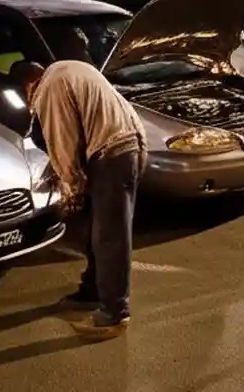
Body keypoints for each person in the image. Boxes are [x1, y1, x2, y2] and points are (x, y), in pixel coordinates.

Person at [12, 59, 147, 341]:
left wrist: (69, 187)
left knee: (110, 235)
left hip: (113, 153)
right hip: (125, 146)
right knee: (96, 227)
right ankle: (93, 291)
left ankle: (114, 313)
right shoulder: (67, 70)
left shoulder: (50, 87)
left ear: (27, 86)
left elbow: (63, 138)